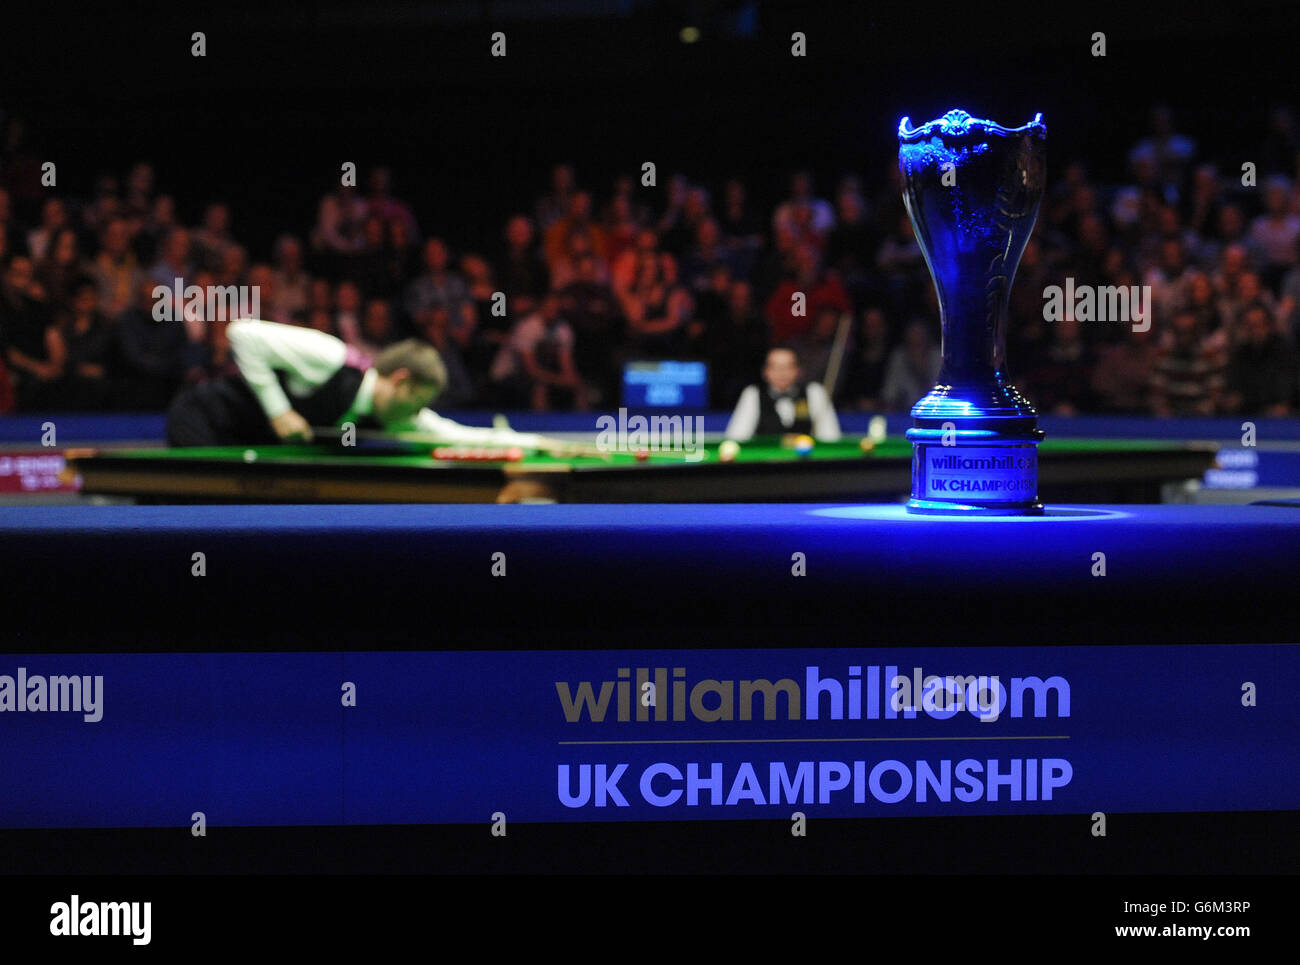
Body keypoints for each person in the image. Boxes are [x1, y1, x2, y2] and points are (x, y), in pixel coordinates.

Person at [164, 317, 555, 449]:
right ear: (400, 380)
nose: (418, 413)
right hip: (203, 418)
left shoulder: (394, 416)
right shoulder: (330, 356)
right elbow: (242, 333)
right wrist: (280, 411)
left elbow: (457, 434)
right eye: (418, 400)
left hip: (241, 443)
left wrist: (534, 443)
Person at [724, 346, 841, 441]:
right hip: (765, 464)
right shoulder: (753, 394)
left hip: (806, 464)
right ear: (765, 372)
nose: (781, 372)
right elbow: (736, 437)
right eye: (775, 367)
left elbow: (831, 437)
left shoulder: (815, 392)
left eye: (787, 366)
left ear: (798, 371)